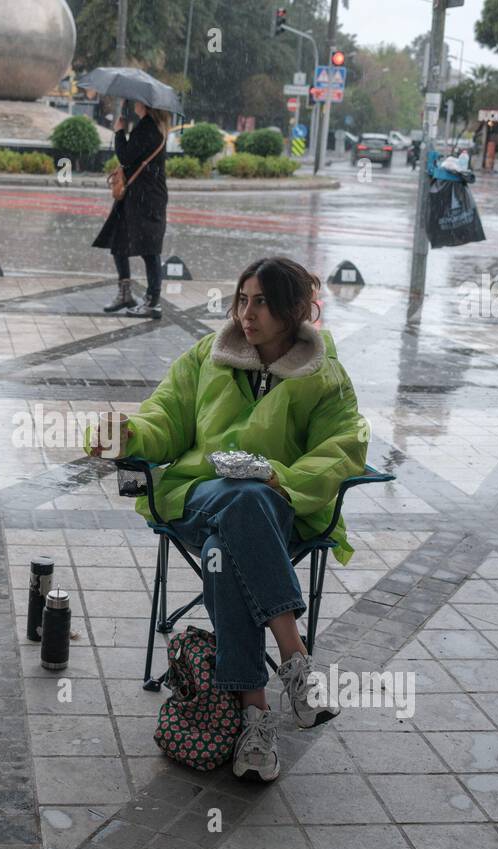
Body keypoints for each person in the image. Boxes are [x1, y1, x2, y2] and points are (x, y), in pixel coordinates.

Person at [86, 256, 367, 782]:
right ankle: (296, 661)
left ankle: (256, 717)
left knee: (227, 546)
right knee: (238, 502)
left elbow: (343, 447)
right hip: (196, 496)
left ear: (293, 310)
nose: (246, 313)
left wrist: (281, 478)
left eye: (261, 301)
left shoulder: (323, 375)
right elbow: (165, 416)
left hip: (280, 510)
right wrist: (128, 433)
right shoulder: (207, 356)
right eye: (242, 299)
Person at [93, 99, 170, 319]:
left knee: (150, 250)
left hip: (146, 199)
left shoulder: (148, 129)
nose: (134, 104)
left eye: (137, 101)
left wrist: (119, 132)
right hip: (135, 197)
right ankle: (125, 293)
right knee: (120, 241)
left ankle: (152, 302)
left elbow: (125, 157)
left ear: (145, 105)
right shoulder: (147, 126)